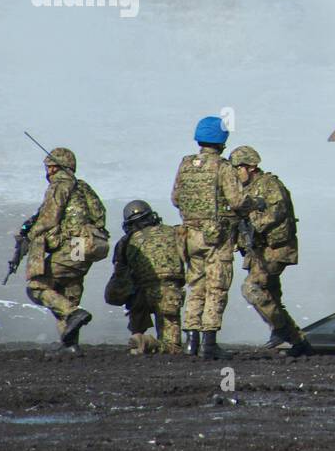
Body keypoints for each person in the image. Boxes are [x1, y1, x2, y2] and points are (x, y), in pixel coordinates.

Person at [171, 116, 263, 359]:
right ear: (222, 142)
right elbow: (237, 201)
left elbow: (176, 198)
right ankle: (209, 344)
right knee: (216, 287)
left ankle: (191, 340)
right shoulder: (222, 168)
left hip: (189, 235)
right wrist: (256, 203)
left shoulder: (186, 164)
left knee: (196, 286)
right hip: (216, 238)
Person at [24, 147, 110, 354]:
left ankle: (73, 314)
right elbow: (99, 217)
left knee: (36, 286)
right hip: (83, 246)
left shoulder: (59, 185)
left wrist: (29, 235)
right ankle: (70, 343)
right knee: (69, 286)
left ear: (53, 167)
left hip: (72, 245)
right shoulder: (83, 187)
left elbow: (48, 219)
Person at [230, 146, 313, 357]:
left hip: (276, 249)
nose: (235, 173)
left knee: (252, 288)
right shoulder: (241, 190)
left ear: (251, 167)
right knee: (271, 296)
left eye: (238, 168)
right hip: (258, 251)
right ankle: (298, 341)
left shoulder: (269, 185)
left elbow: (277, 210)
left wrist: (254, 225)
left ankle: (281, 329)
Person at [104, 200, 185, 355]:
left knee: (134, 297)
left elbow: (120, 274)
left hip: (139, 295)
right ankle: (147, 342)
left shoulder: (125, 242)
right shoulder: (173, 232)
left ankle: (137, 336)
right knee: (173, 347)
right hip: (169, 292)